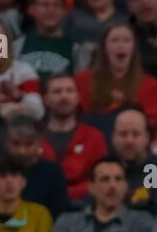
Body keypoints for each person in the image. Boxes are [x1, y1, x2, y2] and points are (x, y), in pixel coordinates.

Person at [46, 157, 153, 232]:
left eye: (118, 179)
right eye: (105, 179)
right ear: (91, 187)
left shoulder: (142, 220)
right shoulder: (67, 221)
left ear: (126, 186)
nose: (113, 185)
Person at [74, 20, 157, 128]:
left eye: (127, 40)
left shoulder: (149, 84)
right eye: (115, 40)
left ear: (134, 48)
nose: (121, 45)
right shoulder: (82, 80)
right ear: (104, 47)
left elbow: (151, 125)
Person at [40, 74, 107, 202]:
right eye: (57, 92)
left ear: (77, 97)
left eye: (69, 91)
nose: (64, 97)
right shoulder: (34, 137)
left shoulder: (94, 137)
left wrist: (62, 193)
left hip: (83, 207)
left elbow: (101, 178)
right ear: (46, 99)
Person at [15, 0, 86, 84]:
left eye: (56, 5)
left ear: (64, 11)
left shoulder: (76, 49)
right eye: (45, 4)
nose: (51, 10)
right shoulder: (18, 45)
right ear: (32, 9)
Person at [111, 106, 157, 212]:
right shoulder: (105, 168)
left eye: (136, 134)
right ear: (113, 137)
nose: (129, 141)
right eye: (123, 134)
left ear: (147, 138)